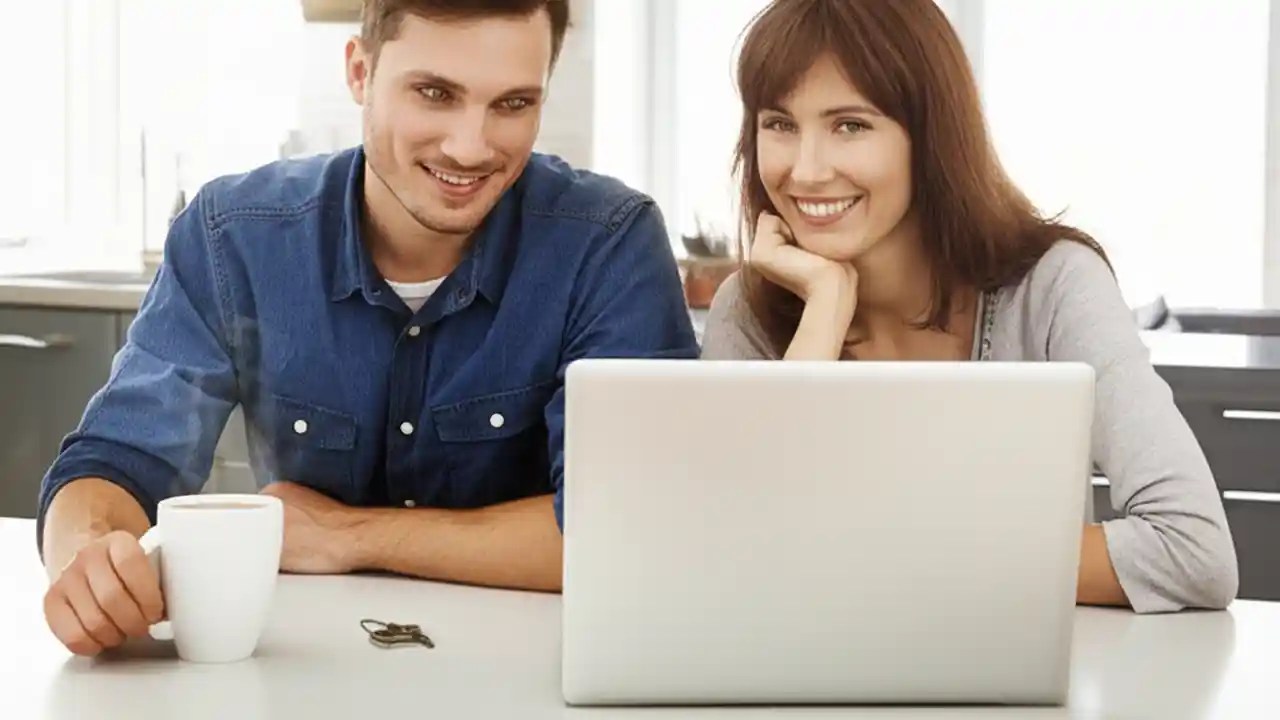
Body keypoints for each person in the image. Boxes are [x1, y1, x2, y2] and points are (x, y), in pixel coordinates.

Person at [39, 0, 697, 657]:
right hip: (294, 675)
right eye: (435, 94)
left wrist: (349, 535)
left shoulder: (609, 243)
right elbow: (113, 464)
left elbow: (633, 532)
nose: (471, 148)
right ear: (360, 73)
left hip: (534, 669)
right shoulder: (234, 236)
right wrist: (90, 557)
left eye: (513, 104)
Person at [701, 0, 1237, 614]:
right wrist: (823, 315)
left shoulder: (1054, 287)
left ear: (928, 136)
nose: (807, 169)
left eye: (849, 125)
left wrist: (877, 551)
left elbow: (1194, 552)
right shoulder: (748, 309)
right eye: (780, 124)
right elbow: (735, 558)